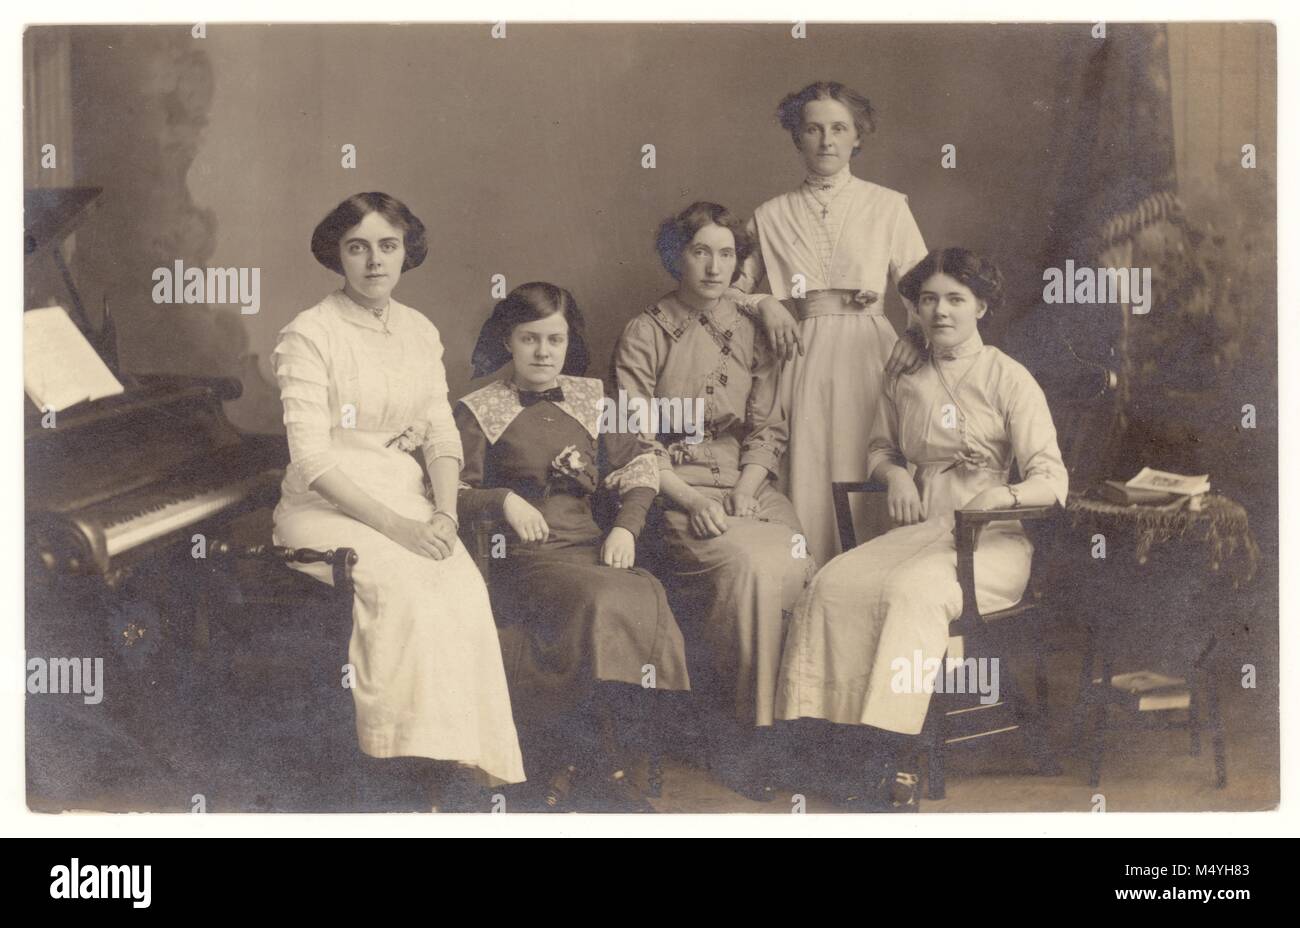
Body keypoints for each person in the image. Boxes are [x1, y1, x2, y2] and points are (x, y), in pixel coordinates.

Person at [774, 247, 1069, 810]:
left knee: (911, 594)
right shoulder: (905, 373)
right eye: (929, 299)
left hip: (990, 542)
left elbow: (1052, 481)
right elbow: (881, 448)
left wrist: (997, 495)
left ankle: (894, 755)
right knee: (832, 581)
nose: (940, 312)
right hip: (920, 530)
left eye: (956, 299)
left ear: (981, 305)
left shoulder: (1009, 376)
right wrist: (895, 476)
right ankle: (829, 744)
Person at [271, 191, 525, 809]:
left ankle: (447, 766)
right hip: (326, 506)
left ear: (406, 251)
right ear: (338, 255)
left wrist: (442, 513)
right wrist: (400, 531)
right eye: (358, 247)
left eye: (388, 246)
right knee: (407, 588)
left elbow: (440, 433)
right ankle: (395, 765)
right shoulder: (308, 334)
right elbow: (313, 461)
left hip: (407, 499)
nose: (374, 261)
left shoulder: (418, 330)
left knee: (460, 585)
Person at [455, 282, 690, 812]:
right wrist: (505, 500)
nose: (543, 352)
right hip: (523, 561)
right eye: (530, 338)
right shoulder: (480, 410)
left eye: (555, 340)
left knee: (636, 596)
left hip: (592, 551)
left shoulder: (592, 398)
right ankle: (592, 764)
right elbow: (449, 489)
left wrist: (627, 527)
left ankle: (601, 763)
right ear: (507, 341)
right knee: (599, 602)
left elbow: (639, 467)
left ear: (568, 342)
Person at [612, 201, 814, 800]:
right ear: (678, 256)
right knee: (749, 567)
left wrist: (749, 488)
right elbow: (631, 436)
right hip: (673, 485)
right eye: (701, 251)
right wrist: (687, 497)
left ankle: (798, 729)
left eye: (727, 253)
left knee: (803, 559)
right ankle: (742, 737)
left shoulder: (756, 325)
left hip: (746, 481)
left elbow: (767, 428)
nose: (714, 265)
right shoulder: (646, 329)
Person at [727, 80, 931, 567]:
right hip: (804, 357)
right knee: (814, 479)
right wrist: (765, 304)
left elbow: (928, 288)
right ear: (797, 137)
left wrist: (915, 333)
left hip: (874, 356)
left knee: (874, 466)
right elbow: (730, 291)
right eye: (813, 129)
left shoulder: (887, 205)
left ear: (857, 137)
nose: (826, 141)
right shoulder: (770, 215)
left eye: (839, 129)